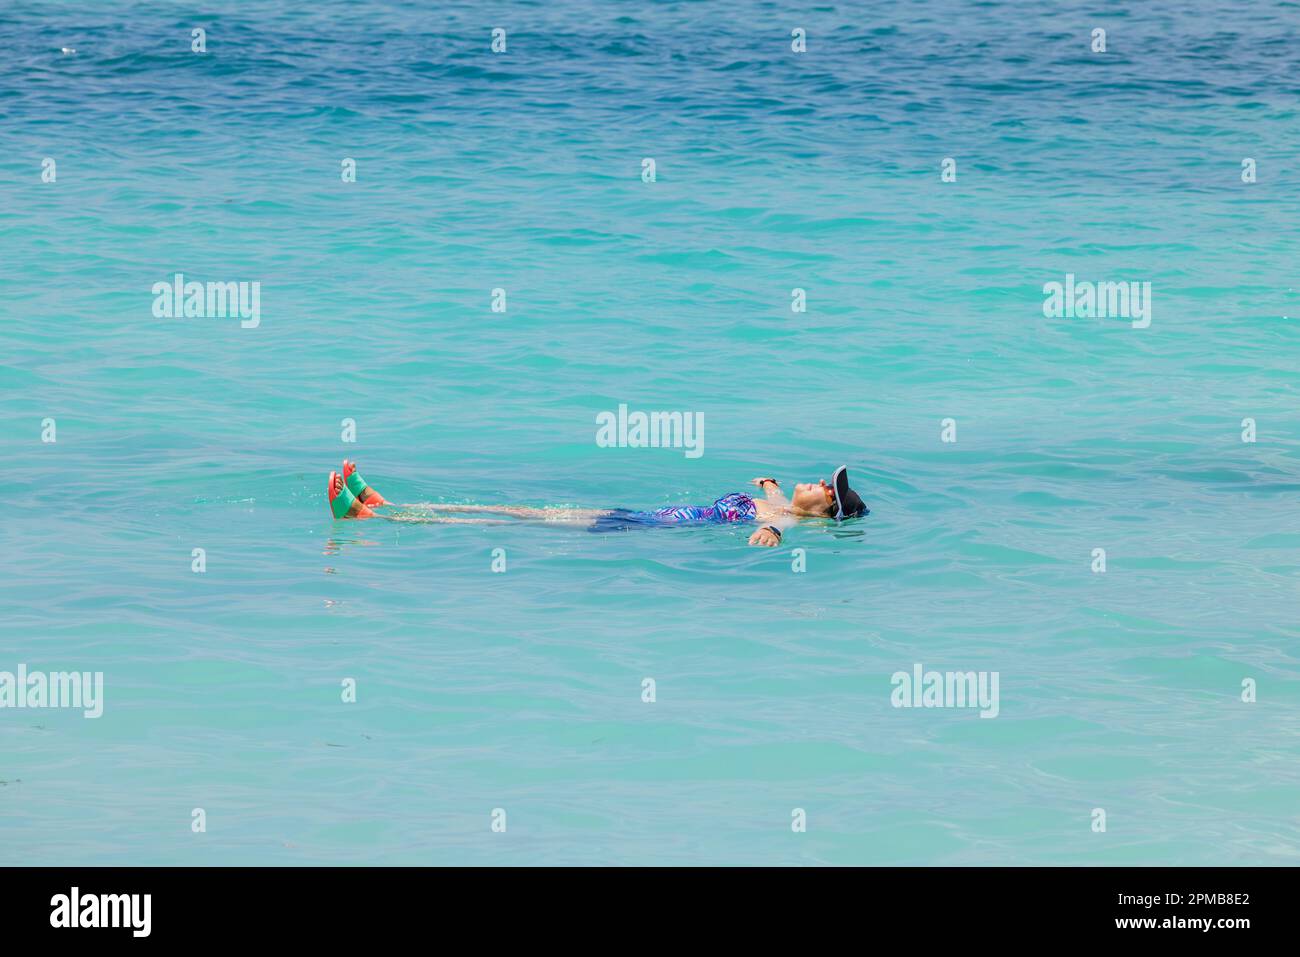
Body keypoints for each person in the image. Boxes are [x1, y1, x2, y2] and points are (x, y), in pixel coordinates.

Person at [327, 460, 868, 547]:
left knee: (521, 517)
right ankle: (389, 504)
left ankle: (373, 516)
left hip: (641, 530)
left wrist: (767, 537)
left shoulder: (784, 523)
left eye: (828, 488)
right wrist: (770, 481)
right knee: (520, 514)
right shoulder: (776, 499)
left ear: (824, 511)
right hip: (643, 515)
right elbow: (773, 494)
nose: (821, 481)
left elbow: (774, 535)